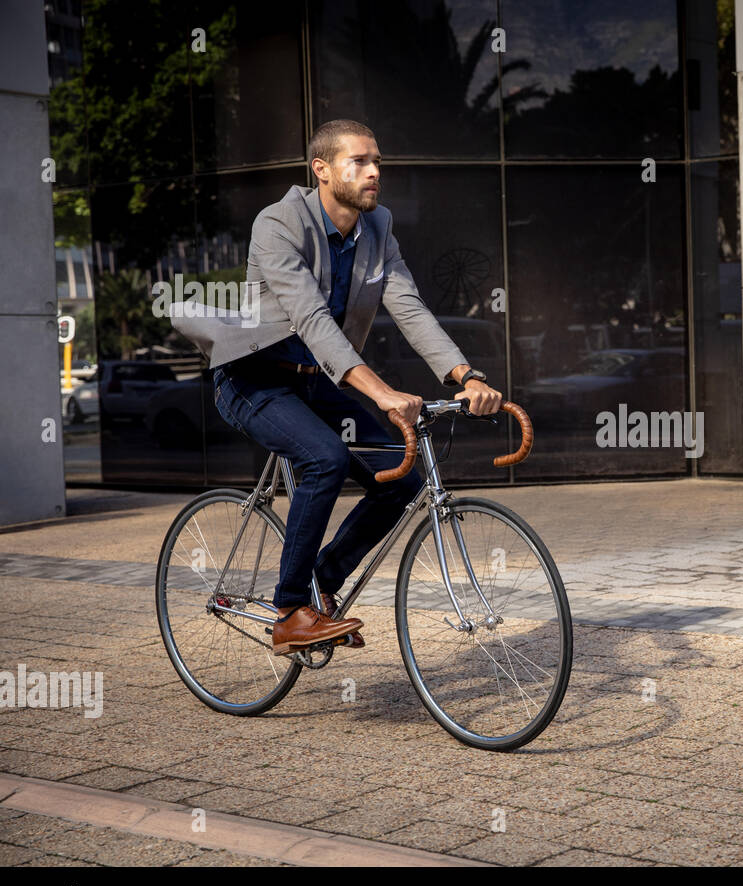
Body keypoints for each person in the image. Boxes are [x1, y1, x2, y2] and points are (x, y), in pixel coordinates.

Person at [176, 119, 502, 656]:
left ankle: (321, 580)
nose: (374, 172)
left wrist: (464, 376)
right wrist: (382, 393)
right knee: (325, 458)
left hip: (316, 384)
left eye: (378, 162)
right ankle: (289, 613)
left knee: (399, 479)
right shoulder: (278, 224)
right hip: (252, 380)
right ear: (321, 170)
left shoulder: (378, 228)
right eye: (360, 162)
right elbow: (312, 321)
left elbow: (410, 310)